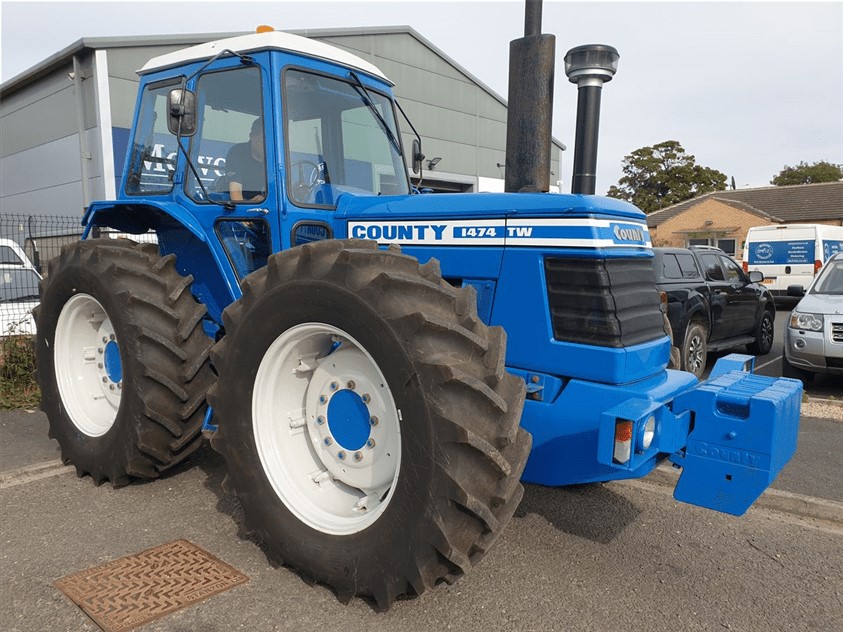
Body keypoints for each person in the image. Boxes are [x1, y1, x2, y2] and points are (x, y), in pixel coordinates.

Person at [225, 117, 266, 202]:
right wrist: (250, 205)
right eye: (261, 142)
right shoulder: (237, 153)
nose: (265, 147)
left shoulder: (277, 157)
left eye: (268, 143)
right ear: (251, 136)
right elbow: (235, 192)